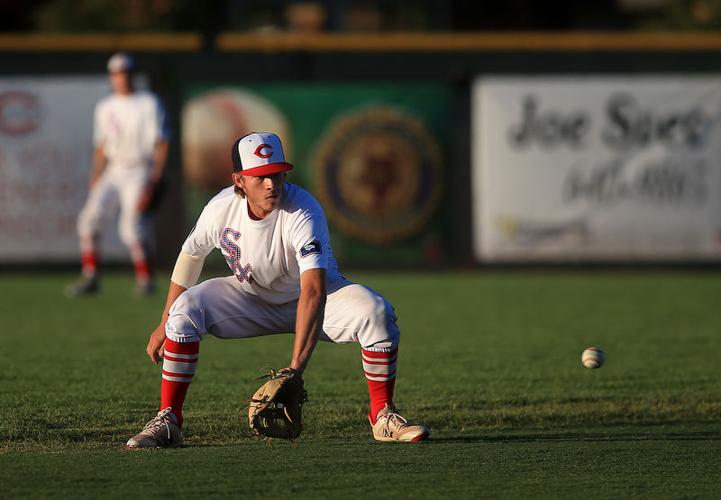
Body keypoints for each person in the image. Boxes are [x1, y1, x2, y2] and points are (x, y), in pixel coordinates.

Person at [126, 132, 429, 447]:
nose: (271, 183)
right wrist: (165, 322)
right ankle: (169, 421)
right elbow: (191, 256)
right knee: (184, 312)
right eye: (260, 177)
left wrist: (296, 368)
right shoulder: (221, 208)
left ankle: (382, 415)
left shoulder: (302, 210)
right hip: (249, 298)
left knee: (376, 313)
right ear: (239, 180)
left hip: (313, 300)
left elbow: (313, 292)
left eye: (276, 173)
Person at [66, 52, 169, 297]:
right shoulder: (105, 107)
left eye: (125, 73)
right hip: (113, 169)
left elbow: (162, 142)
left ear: (133, 75)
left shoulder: (149, 103)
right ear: (112, 77)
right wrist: (96, 176)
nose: (121, 78)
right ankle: (91, 276)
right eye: (117, 74)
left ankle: (146, 280)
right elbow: (101, 146)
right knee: (88, 220)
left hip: (140, 168)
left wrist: (155, 178)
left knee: (132, 228)